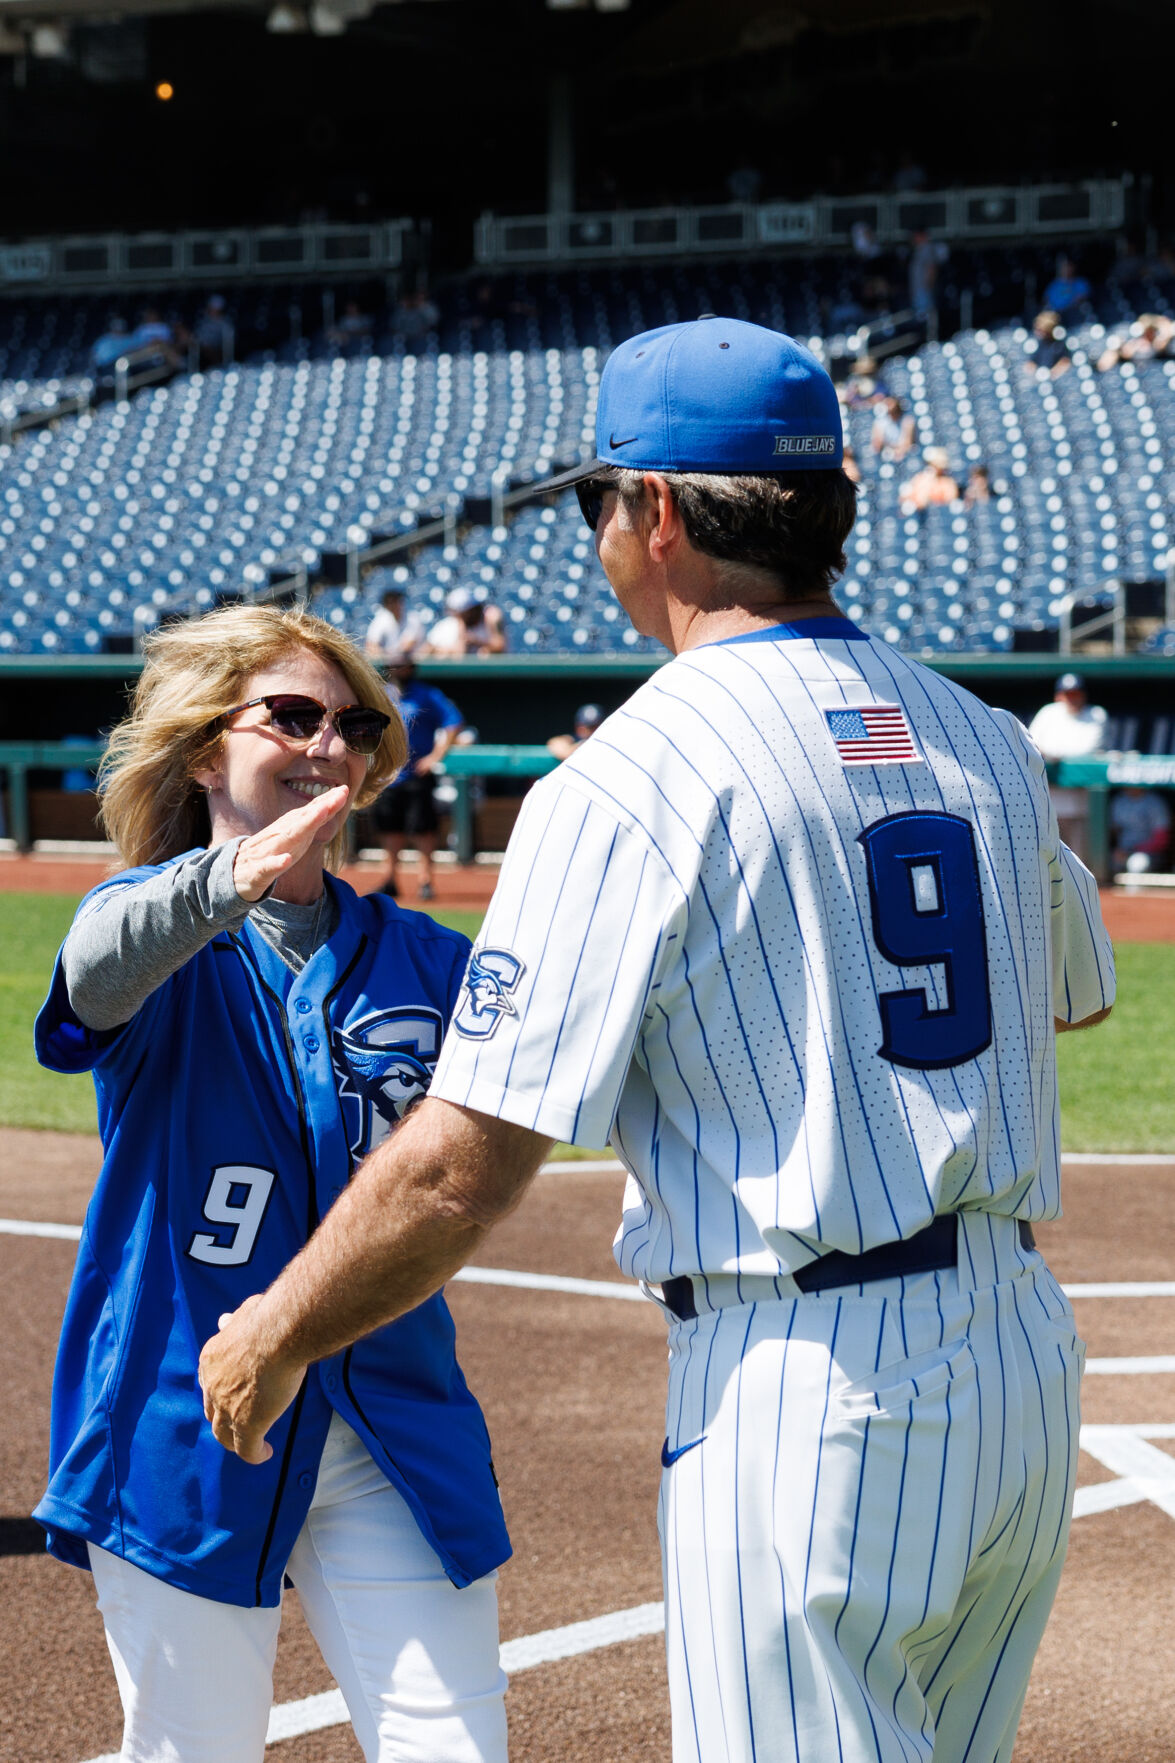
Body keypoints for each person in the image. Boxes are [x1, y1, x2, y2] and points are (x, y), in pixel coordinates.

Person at [202, 318, 1115, 1763]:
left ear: (661, 513)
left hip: (810, 1378)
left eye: (600, 499)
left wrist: (271, 1328)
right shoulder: (983, 734)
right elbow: (1071, 990)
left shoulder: (630, 771)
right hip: (1014, 1355)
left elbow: (459, 1168)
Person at [34, 605, 509, 1763]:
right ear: (206, 749)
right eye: (291, 715)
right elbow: (93, 972)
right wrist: (234, 873)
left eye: (352, 723)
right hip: (180, 1413)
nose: (327, 742)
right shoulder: (146, 927)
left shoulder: (428, 960)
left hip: (390, 1413)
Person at [371, 656, 463, 901]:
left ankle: (425, 881)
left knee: (422, 829)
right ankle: (390, 880)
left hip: (417, 774)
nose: (397, 670)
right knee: (390, 828)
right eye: (394, 665)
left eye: (402, 665)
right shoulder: (384, 694)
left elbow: (454, 723)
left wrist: (435, 756)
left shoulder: (427, 694)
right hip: (390, 775)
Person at [1028, 671, 1108, 862]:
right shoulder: (1048, 712)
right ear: (1058, 696)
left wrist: (1053, 753)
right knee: (1048, 856)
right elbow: (1030, 744)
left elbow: (1089, 749)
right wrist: (1050, 753)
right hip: (1049, 799)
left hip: (1080, 801)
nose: (1071, 698)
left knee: (1079, 860)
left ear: (1083, 695)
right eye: (1067, 694)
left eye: (1075, 693)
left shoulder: (1095, 714)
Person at [422, 587, 507, 657]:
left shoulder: (491, 616)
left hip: (488, 674)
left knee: (484, 653)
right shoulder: (450, 624)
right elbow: (425, 651)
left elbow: (500, 646)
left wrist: (476, 640)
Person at [1110, 785, 1171, 873]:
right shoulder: (1119, 801)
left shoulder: (1155, 803)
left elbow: (1161, 840)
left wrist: (1131, 850)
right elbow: (1114, 832)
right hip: (1122, 852)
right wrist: (1117, 850)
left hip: (1148, 853)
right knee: (1101, 862)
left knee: (1137, 865)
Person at [364, 584, 425, 661]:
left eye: (397, 601)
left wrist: (388, 654)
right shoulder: (381, 619)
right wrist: (382, 654)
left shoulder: (413, 618)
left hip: (410, 664)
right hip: (388, 664)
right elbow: (371, 644)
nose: (394, 605)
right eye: (390, 602)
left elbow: (408, 646)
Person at [899, 444, 959, 511]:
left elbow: (950, 501)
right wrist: (928, 482)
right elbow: (917, 501)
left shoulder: (949, 482)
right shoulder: (921, 479)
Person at [1024, 310, 1071, 378]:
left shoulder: (1059, 344)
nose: (1038, 332)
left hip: (1055, 380)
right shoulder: (1037, 343)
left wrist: (1051, 374)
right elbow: (1030, 364)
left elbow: (1065, 362)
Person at [871, 393, 916, 462]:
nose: (889, 406)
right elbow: (877, 443)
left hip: (903, 453)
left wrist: (899, 451)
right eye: (887, 404)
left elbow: (907, 442)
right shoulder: (880, 422)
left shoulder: (907, 420)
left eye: (890, 403)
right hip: (887, 452)